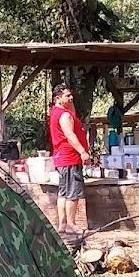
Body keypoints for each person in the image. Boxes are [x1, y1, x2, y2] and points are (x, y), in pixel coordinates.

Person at [48, 83, 89, 234]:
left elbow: (73, 113)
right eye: (67, 96)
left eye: (71, 95)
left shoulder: (56, 112)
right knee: (73, 193)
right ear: (58, 98)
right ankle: (71, 224)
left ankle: (62, 225)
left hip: (61, 158)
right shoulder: (64, 116)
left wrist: (70, 104)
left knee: (63, 193)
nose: (71, 98)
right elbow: (70, 136)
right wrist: (83, 152)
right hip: (70, 157)